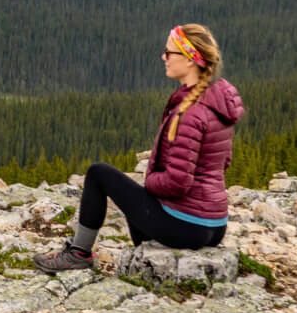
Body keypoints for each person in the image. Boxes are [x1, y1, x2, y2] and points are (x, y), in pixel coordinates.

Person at [34, 24, 243, 272]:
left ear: (190, 60)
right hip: (215, 226)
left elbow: (178, 182)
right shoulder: (216, 103)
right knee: (139, 202)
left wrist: (150, 181)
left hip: (187, 227)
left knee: (99, 174)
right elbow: (223, 162)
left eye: (169, 52)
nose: (163, 57)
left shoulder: (190, 112)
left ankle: (79, 253)